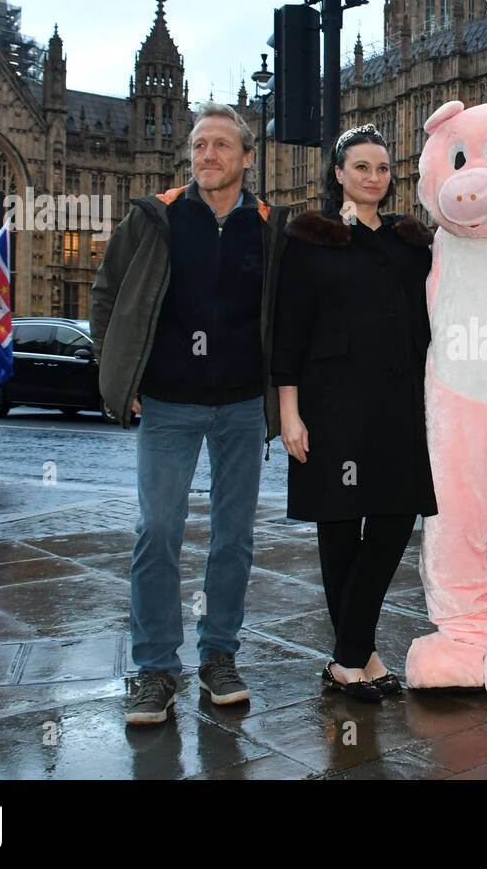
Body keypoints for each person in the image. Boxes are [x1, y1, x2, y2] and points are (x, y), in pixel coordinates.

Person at [90, 102, 290, 725]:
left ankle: (219, 655)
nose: (208, 156)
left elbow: (290, 314)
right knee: (158, 532)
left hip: (239, 406)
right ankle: (154, 669)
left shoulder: (270, 227)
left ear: (247, 157)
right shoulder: (156, 217)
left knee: (234, 538)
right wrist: (121, 372)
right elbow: (106, 293)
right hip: (170, 403)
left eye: (221, 146)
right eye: (200, 145)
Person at [273, 123, 436, 703]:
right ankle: (357, 659)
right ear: (338, 173)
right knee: (339, 528)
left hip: (397, 404)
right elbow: (288, 332)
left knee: (394, 519)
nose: (374, 177)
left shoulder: (409, 241)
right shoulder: (312, 239)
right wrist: (289, 415)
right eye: (361, 167)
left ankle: (347, 653)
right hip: (331, 404)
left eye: (383, 168)